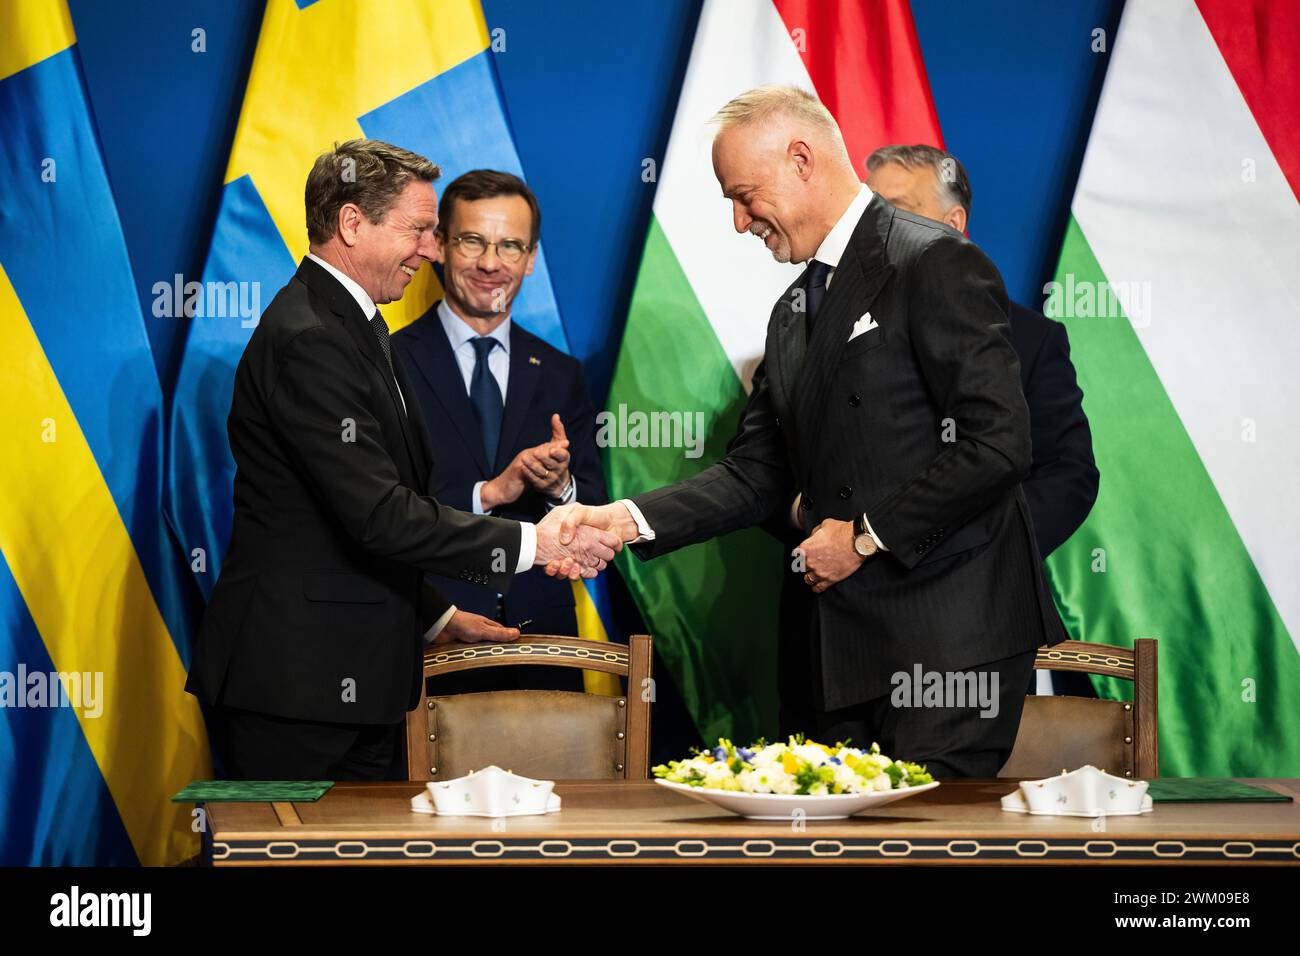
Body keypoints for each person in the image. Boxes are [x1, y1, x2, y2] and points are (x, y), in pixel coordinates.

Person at [565, 87, 1067, 778]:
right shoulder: (792, 310)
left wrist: (864, 535)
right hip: (837, 651)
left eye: (744, 195)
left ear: (802, 159)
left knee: (920, 851)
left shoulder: (934, 261)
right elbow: (755, 473)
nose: (741, 223)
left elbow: (998, 443)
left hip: (949, 643)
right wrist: (622, 521)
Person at [184, 139, 619, 781]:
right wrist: (534, 543)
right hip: (298, 692)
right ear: (352, 223)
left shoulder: (350, 325)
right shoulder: (311, 339)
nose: (429, 249)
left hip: (349, 682)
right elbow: (379, 514)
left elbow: (350, 520)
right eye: (418, 229)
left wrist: (434, 614)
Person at [864, 144, 1098, 697]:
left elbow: (1069, 475)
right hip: (855, 622)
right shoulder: (821, 327)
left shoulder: (1030, 338)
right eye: (869, 211)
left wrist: (971, 553)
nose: (876, 228)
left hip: (983, 622)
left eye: (895, 209)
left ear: (953, 225)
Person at [393, 170, 608, 645]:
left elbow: (593, 508)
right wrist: (488, 492)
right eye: (473, 241)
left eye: (510, 246)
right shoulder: (389, 363)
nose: (491, 263)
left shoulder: (561, 373)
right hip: (427, 630)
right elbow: (378, 509)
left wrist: (561, 487)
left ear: (530, 259)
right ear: (440, 244)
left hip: (543, 637)